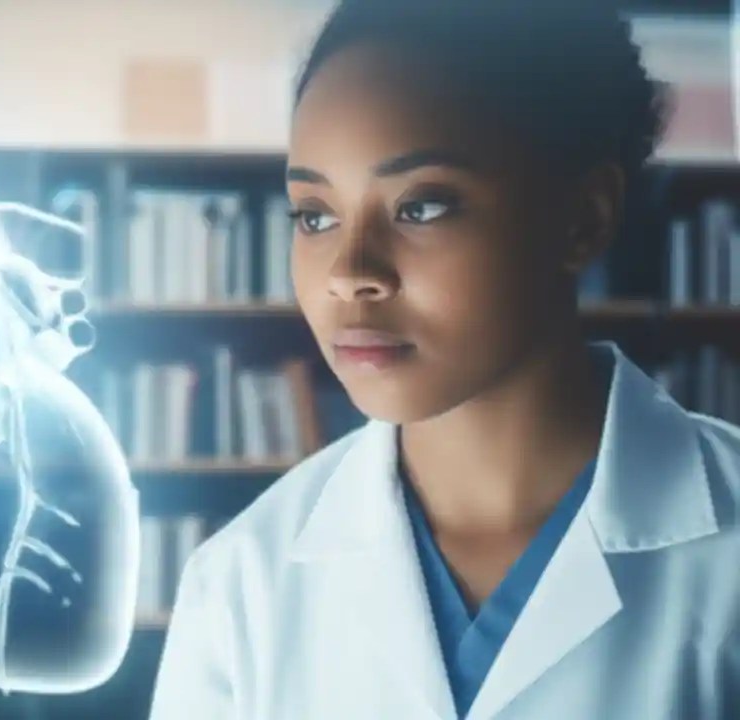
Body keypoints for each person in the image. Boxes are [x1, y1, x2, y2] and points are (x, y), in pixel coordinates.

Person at [148, 1, 740, 718]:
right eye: (315, 215)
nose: (351, 270)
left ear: (582, 219)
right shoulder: (242, 582)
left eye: (421, 206)